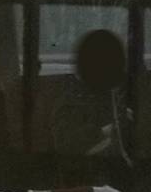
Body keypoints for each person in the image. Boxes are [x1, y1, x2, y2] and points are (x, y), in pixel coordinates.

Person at [51, 29, 136, 177]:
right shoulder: (71, 99)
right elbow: (66, 144)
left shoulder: (117, 91)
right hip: (88, 176)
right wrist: (107, 130)